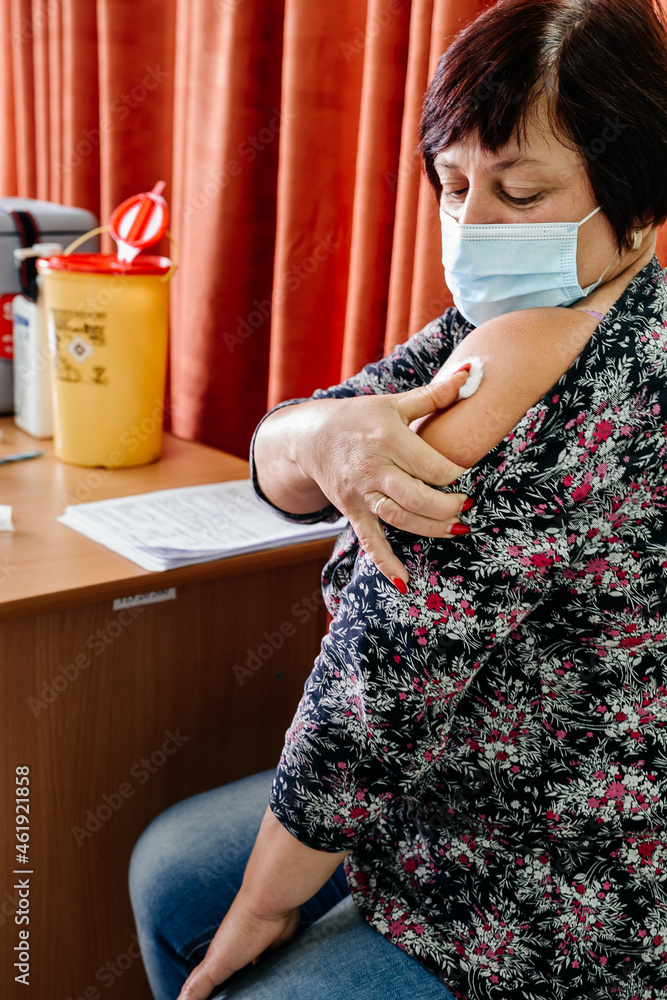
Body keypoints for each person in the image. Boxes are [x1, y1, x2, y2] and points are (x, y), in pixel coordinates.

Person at [128, 1, 667, 998]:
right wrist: (322, 439)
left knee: (223, 931)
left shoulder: (589, 373)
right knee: (169, 873)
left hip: (552, 877)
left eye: (520, 191)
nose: (474, 226)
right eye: (453, 187)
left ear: (634, 206)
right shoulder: (518, 310)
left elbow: (377, 687)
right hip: (444, 793)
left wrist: (265, 905)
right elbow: (294, 448)